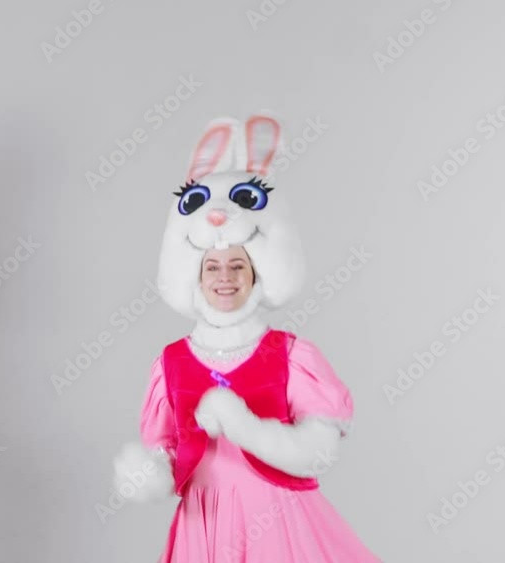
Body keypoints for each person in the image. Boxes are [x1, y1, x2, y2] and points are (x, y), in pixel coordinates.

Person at [113, 115, 382, 562]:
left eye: (237, 265)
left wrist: (245, 427)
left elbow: (318, 452)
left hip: (277, 526)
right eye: (212, 267)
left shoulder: (291, 355)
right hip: (204, 527)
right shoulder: (171, 363)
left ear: (258, 270)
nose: (224, 278)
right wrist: (149, 474)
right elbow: (165, 448)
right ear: (194, 275)